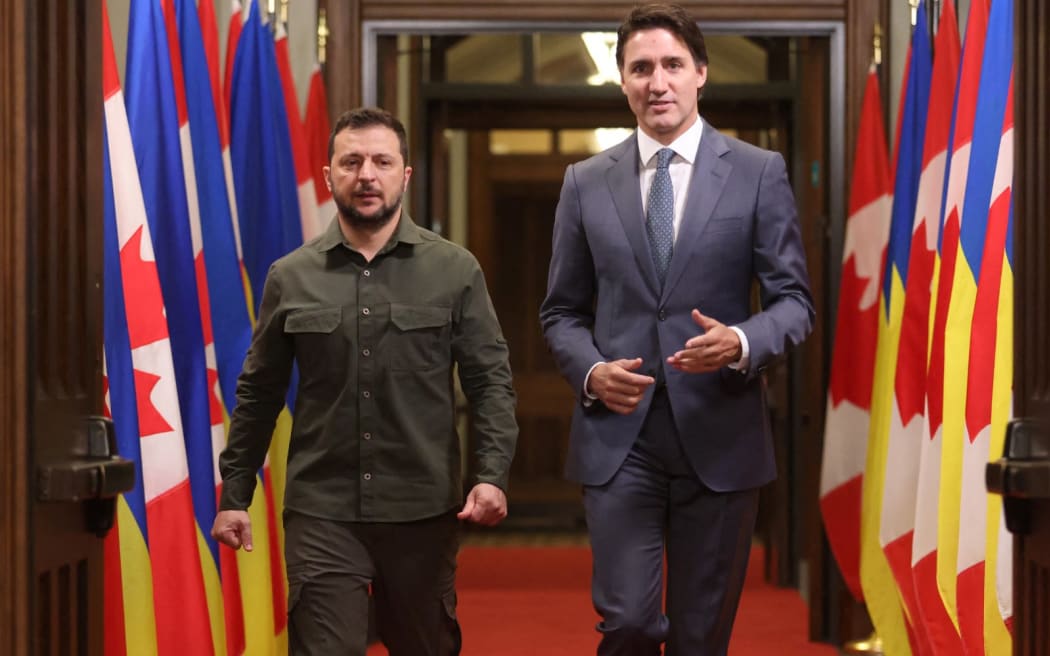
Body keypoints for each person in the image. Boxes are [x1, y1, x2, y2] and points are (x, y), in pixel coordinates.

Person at [540, 4, 815, 655]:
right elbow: (561, 312)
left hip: (720, 436)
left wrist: (743, 342)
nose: (656, 81)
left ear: (700, 74)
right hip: (620, 437)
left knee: (699, 636)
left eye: (671, 65)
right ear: (623, 80)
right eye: (641, 68)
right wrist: (589, 369)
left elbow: (794, 303)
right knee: (630, 623)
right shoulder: (584, 182)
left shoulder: (758, 172)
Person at [211, 107, 518, 656]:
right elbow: (258, 392)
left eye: (381, 161)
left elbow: (491, 382)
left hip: (423, 510)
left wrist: (490, 475)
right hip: (322, 509)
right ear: (330, 176)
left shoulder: (455, 270)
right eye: (351, 162)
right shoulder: (291, 276)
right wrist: (235, 493)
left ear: (405, 175)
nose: (366, 175)